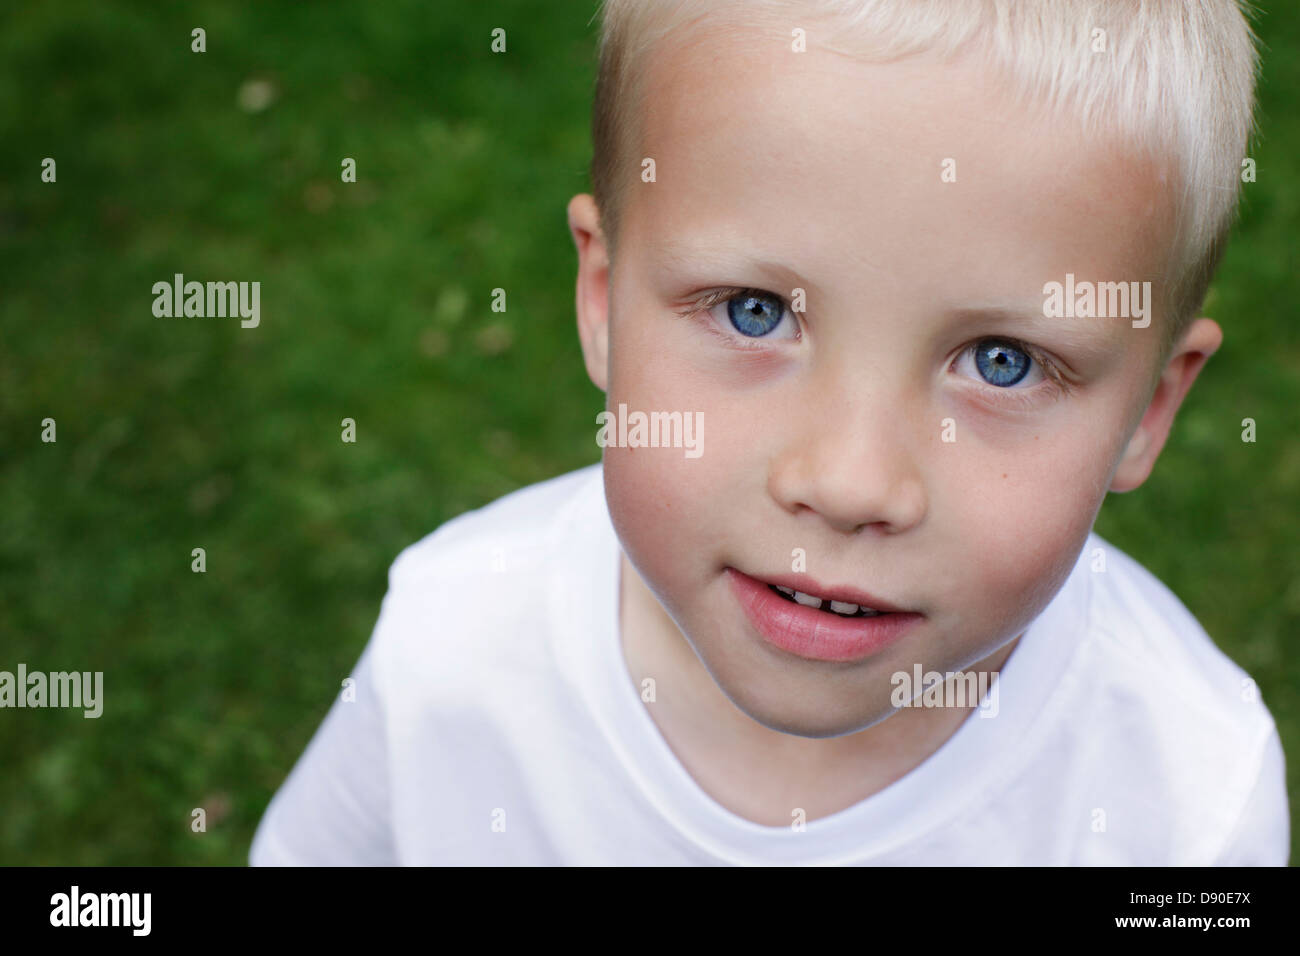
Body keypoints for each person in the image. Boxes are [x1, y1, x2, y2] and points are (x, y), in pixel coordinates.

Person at [250, 0, 1288, 865]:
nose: (847, 480)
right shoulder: (452, 643)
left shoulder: (1186, 807)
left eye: (1001, 362)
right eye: (754, 311)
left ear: (1147, 412)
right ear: (604, 301)